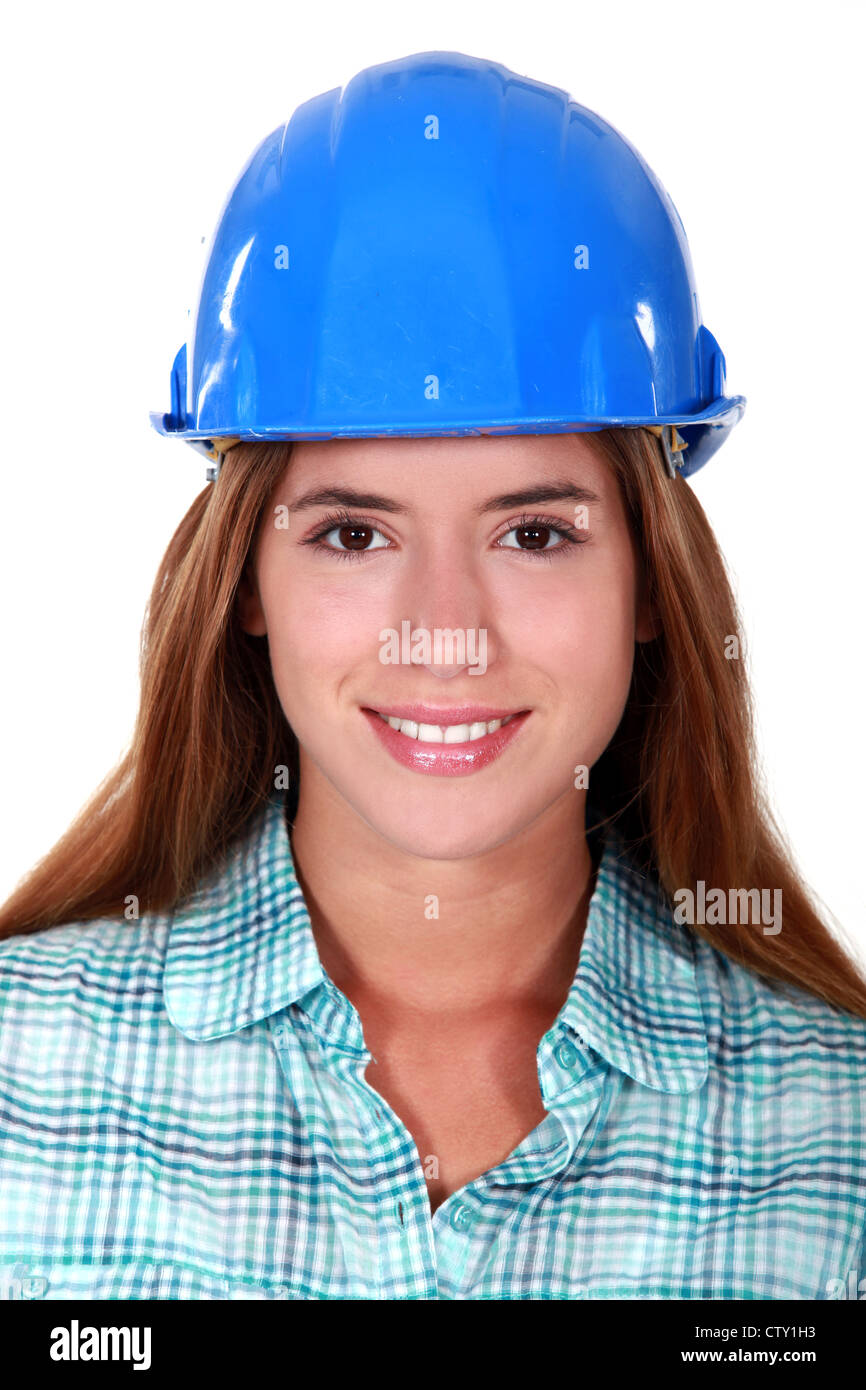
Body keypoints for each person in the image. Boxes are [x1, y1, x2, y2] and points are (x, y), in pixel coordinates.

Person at [1, 50, 864, 1302]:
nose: (442, 632)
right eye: (354, 534)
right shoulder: (21, 1083)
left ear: (648, 588)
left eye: (534, 533)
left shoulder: (831, 1142)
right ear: (245, 583)